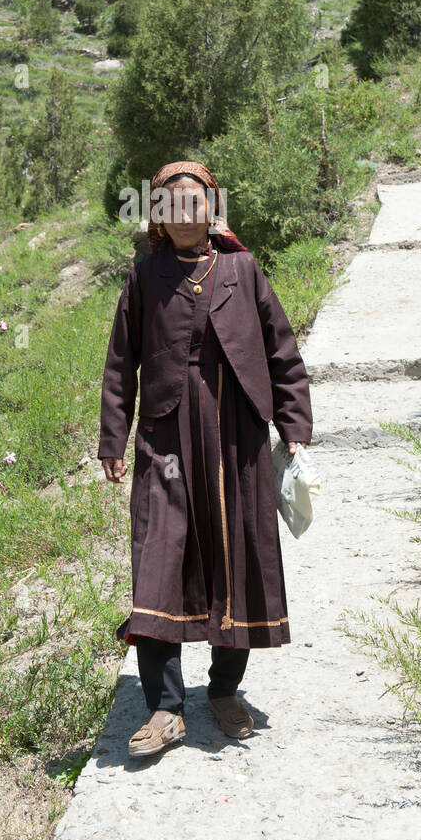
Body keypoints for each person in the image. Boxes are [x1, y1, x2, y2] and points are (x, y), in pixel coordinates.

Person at [99, 159, 313, 758]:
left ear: (212, 208)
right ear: (158, 216)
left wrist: (294, 425)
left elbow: (281, 351)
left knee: (236, 554)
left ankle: (223, 691)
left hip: (237, 437)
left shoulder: (243, 270)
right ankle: (165, 709)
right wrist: (113, 438)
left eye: (196, 201)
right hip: (165, 439)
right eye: (172, 203)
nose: (186, 213)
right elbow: (121, 366)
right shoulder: (145, 279)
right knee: (158, 561)